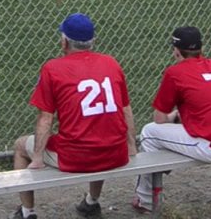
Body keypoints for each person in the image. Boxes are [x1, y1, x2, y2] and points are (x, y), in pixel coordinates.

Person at [12, 13, 135, 219]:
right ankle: (91, 203)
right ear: (92, 41)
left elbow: (46, 118)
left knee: (20, 146)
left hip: (76, 158)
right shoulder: (110, 63)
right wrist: (131, 145)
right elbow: (125, 109)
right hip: (116, 153)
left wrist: (39, 158)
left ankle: (27, 212)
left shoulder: (54, 68)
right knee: (99, 132)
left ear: (65, 41)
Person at [132, 27, 211, 210]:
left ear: (176, 50)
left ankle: (146, 200)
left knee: (149, 133)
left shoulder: (175, 72)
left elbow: (159, 118)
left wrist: (173, 116)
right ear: (201, 49)